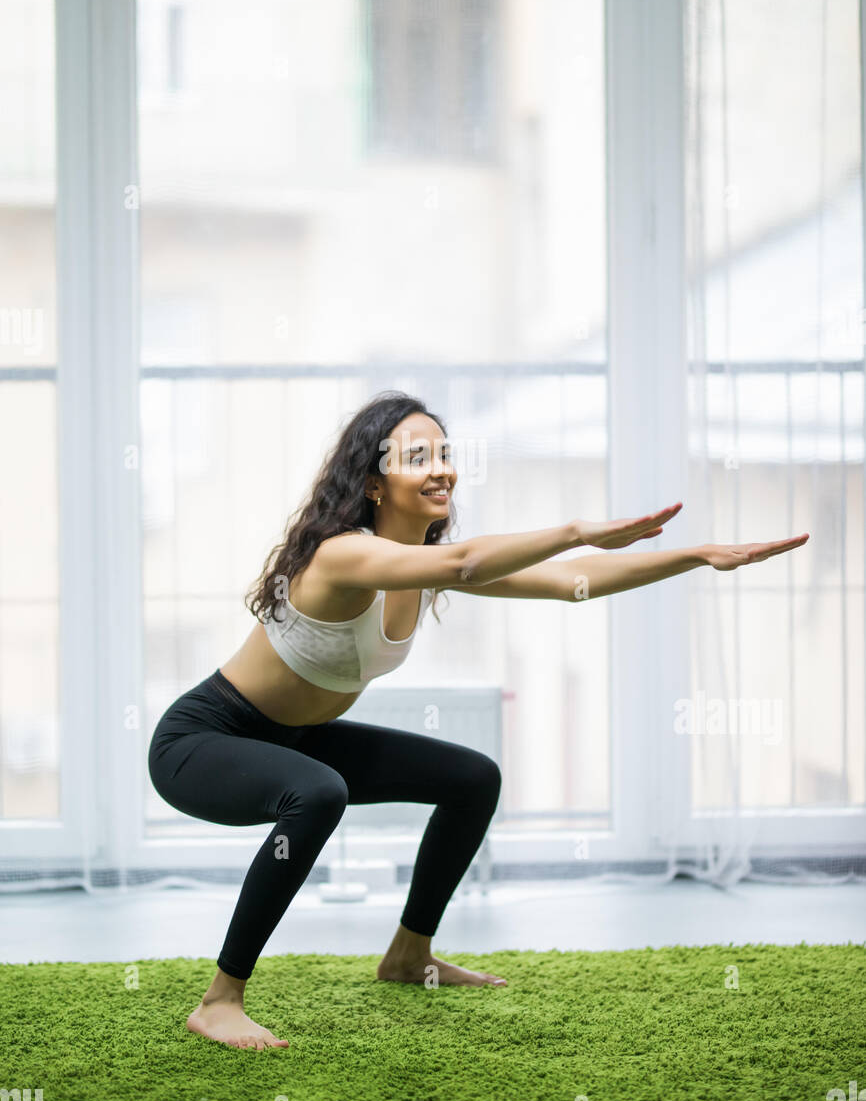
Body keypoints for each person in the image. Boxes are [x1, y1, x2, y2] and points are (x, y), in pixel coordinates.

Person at [147, 389, 808, 1049]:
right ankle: (220, 1001)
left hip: (298, 738)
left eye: (445, 453)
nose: (441, 468)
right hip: (204, 741)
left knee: (472, 777)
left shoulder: (424, 567)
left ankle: (409, 955)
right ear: (375, 484)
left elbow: (569, 582)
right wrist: (578, 526)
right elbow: (469, 560)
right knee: (320, 791)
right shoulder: (340, 554)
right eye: (417, 456)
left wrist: (695, 557)